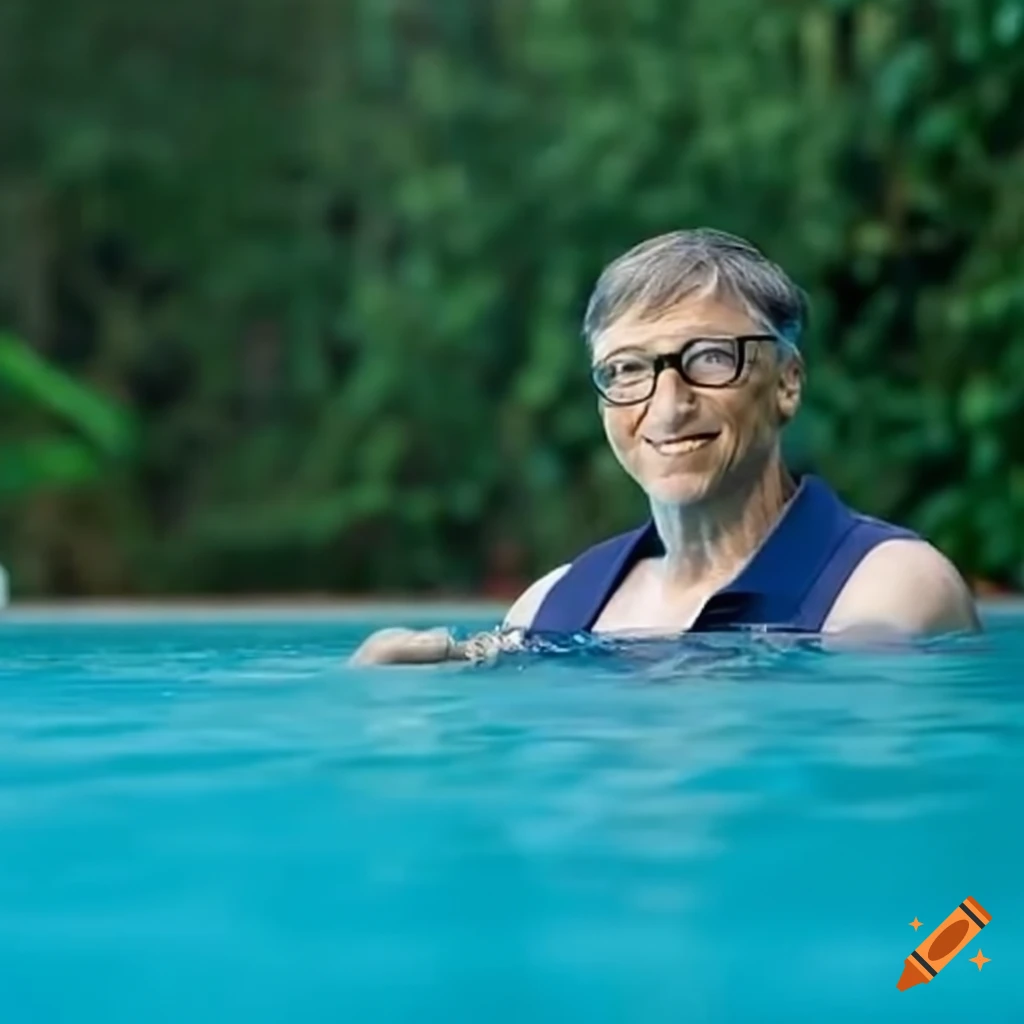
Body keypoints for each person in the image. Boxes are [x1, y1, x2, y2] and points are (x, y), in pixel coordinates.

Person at [351, 229, 980, 665]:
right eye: (628, 369)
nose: (669, 404)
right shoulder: (552, 607)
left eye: (710, 358)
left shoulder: (888, 588)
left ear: (787, 383)